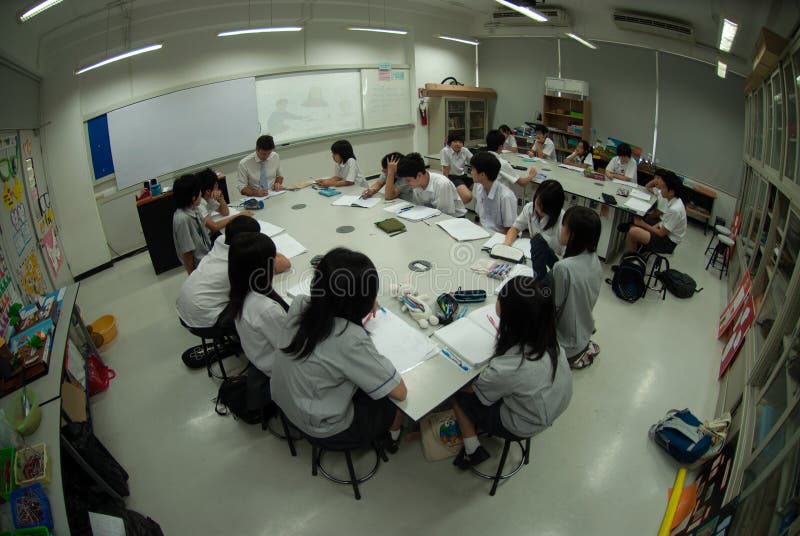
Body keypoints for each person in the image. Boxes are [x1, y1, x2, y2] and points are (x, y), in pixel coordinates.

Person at [271, 248, 407, 452]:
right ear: (363, 299)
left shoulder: (301, 304)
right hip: (326, 428)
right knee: (395, 402)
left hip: (287, 404)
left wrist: (361, 302)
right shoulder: (350, 338)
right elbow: (399, 392)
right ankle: (392, 437)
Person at [450, 276, 572, 469]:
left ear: (512, 317)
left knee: (456, 394)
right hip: (553, 403)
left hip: (523, 423)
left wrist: (457, 380)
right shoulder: (548, 338)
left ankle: (472, 450)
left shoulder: (509, 367)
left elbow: (474, 390)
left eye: (500, 298)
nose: (497, 300)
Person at [176, 215, 290, 329]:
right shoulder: (240, 261)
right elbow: (284, 263)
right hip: (205, 320)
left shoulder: (220, 241)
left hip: (184, 306)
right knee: (253, 301)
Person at [228, 232, 290, 380]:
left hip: (262, 362)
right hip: (282, 373)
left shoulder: (240, 292)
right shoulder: (266, 309)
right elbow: (292, 348)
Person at [550, 206, 603, 370]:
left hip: (566, 346)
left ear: (572, 234)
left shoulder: (563, 268)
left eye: (564, 225)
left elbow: (552, 310)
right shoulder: (594, 259)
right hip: (583, 335)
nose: (561, 229)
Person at [504, 180, 565, 279]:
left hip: (552, 267)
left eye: (545, 208)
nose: (539, 210)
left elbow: (564, 258)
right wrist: (505, 247)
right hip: (531, 260)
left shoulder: (563, 220)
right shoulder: (529, 208)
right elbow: (515, 228)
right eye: (538, 203)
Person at [624, 170, 687, 254]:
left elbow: (661, 233)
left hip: (667, 242)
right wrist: (649, 227)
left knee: (633, 231)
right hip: (665, 233)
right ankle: (634, 255)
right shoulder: (674, 200)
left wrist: (643, 224)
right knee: (636, 225)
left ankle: (630, 261)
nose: (661, 190)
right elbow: (663, 222)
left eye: (663, 188)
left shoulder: (675, 209)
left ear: (671, 192)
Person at [396, 153, 467, 217]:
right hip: (430, 215)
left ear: (419, 175)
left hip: (454, 218)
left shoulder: (441, 184)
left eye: (408, 180)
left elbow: (444, 215)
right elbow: (419, 207)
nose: (406, 183)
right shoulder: (416, 184)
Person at [172, 174, 213, 275]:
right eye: (199, 191)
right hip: (199, 266)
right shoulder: (182, 219)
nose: (201, 193)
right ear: (193, 197)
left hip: (207, 257)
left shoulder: (194, 208)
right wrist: (192, 276)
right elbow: (187, 254)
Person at [196, 168, 253, 235]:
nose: (218, 187)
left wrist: (221, 197)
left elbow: (225, 212)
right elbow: (214, 227)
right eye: (216, 185)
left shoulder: (208, 197)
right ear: (208, 191)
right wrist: (238, 216)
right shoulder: (199, 204)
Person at [471, 152, 517, 234]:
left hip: (500, 237)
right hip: (485, 233)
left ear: (482, 175)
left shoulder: (505, 196)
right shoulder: (479, 188)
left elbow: (510, 229)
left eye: (473, 169)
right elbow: (482, 219)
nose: (471, 172)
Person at [440, 132, 474, 204]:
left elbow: (474, 161)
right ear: (450, 143)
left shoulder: (464, 150)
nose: (458, 144)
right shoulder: (445, 151)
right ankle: (457, 207)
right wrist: (445, 185)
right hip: (452, 177)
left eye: (460, 142)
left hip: (463, 176)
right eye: (455, 141)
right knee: (467, 196)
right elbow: (446, 169)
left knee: (478, 188)